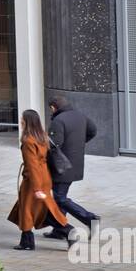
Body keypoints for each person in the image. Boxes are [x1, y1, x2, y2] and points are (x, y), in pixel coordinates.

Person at [7, 109, 69, 250]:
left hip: (34, 180)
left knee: (31, 209)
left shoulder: (28, 140)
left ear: (27, 122)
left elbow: (32, 165)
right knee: (32, 209)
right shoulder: (41, 136)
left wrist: (36, 189)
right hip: (44, 176)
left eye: (22, 119)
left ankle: (68, 231)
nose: (21, 121)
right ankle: (27, 241)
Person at [44, 96, 101, 240]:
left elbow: (54, 145)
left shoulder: (58, 121)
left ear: (53, 107)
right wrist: (78, 143)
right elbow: (93, 131)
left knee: (59, 198)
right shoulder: (80, 116)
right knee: (60, 196)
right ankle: (59, 229)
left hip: (61, 166)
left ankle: (90, 218)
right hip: (75, 163)